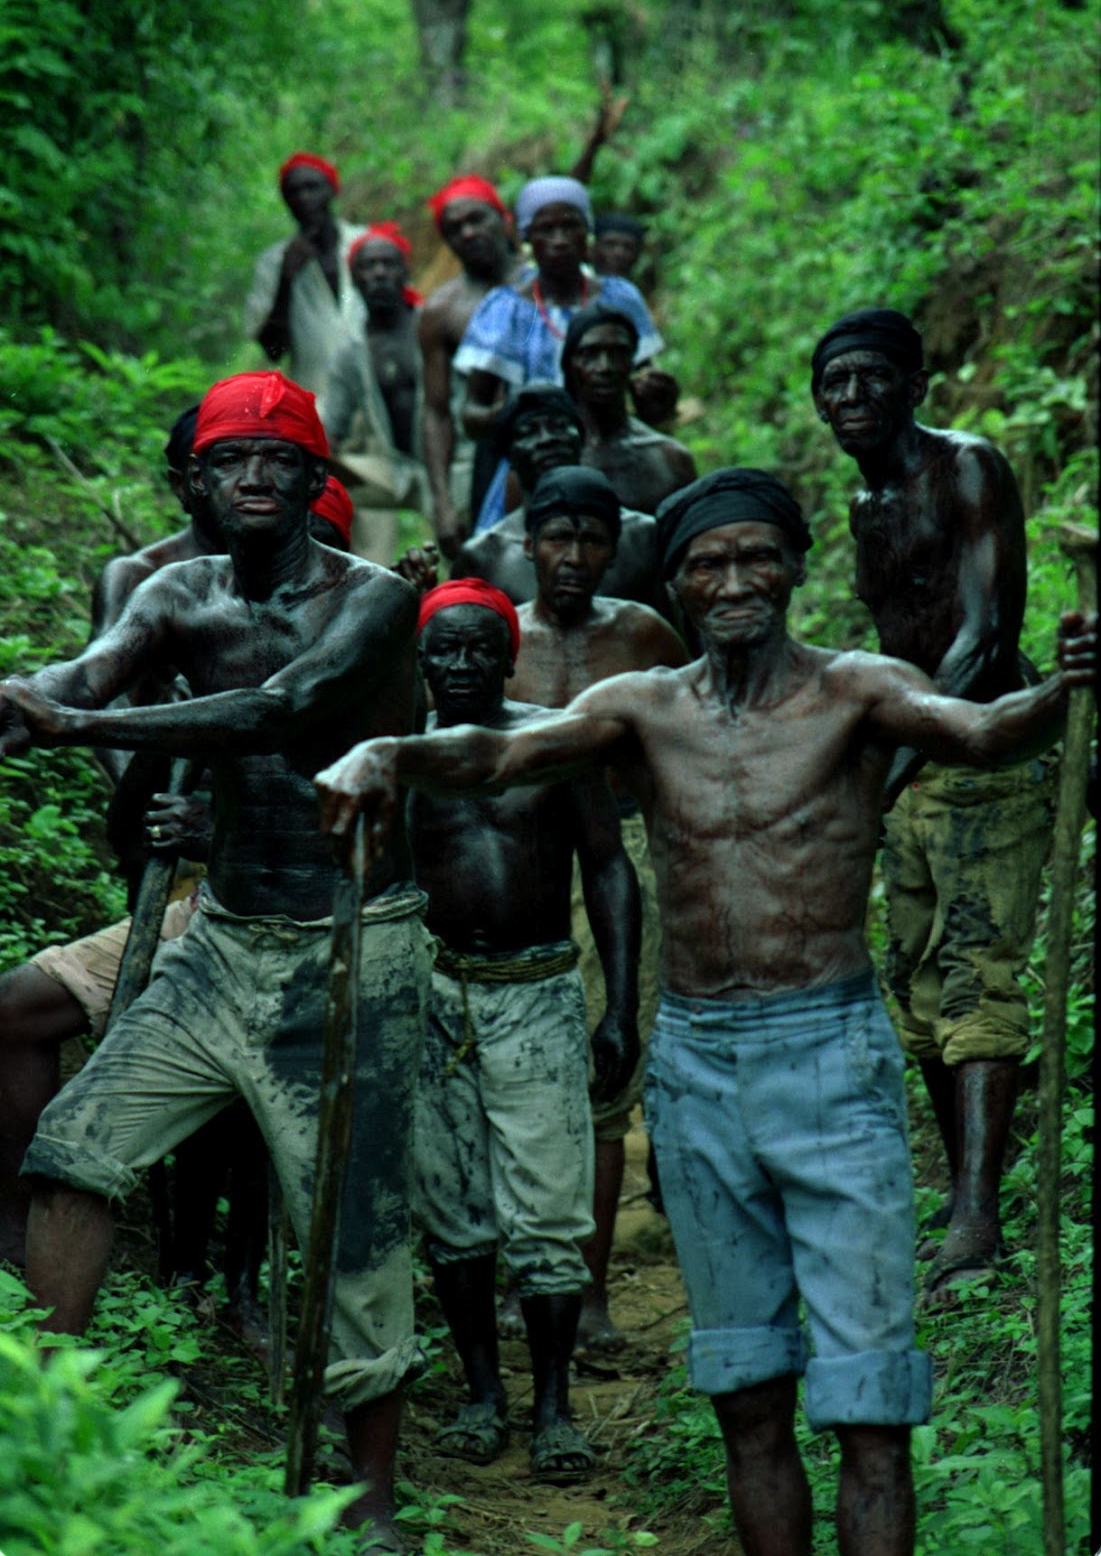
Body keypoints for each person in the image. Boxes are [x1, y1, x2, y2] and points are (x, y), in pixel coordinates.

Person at [315, 468, 1094, 1556]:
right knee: (748, 1396)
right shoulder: (644, 709)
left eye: (755, 557)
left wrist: (1060, 692)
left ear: (794, 568)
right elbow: (498, 748)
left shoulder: (856, 690)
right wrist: (387, 749)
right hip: (699, 1071)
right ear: (676, 584)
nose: (733, 580)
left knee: (870, 1405)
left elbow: (979, 729)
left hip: (828, 1052)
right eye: (707, 563)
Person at [1, 371, 433, 1554]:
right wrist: (30, 700)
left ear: (313, 483)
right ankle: (54, 1432)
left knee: (351, 1228)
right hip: (223, 938)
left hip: (351, 947)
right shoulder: (176, 591)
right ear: (196, 480)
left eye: (279, 463)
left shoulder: (374, 600)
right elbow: (87, 674)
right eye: (232, 462)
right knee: (75, 1149)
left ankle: (376, 1505)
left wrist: (78, 725)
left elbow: (277, 710)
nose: (254, 479)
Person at [810, 307, 1057, 1298]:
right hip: (914, 760)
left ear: (917, 385)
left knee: (976, 980)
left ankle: (977, 1216)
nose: (851, 399)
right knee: (919, 999)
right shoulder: (867, 500)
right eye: (834, 385)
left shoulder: (966, 468)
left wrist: (905, 751)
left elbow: (987, 633)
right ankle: (967, 1182)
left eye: (872, 379)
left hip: (983, 754)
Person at [408, 578, 640, 1481]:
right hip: (433, 991)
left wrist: (616, 1005)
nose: (462, 665)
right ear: (420, 660)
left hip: (539, 990)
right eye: (444, 650)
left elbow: (611, 871)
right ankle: (479, 1395)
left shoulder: (555, 743)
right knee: (455, 1212)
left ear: (510, 656)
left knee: (546, 1208)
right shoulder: (398, 750)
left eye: (479, 649)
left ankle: (554, 1410)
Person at [508, 467, 687, 1352]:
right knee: (512, 1073)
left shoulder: (645, 632)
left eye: (589, 539)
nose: (571, 556)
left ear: (613, 547)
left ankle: (588, 1293)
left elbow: (691, 733)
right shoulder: (501, 633)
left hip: (620, 858)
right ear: (527, 543)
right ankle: (525, 1275)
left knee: (604, 1074)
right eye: (555, 538)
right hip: (513, 863)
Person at [454, 176, 678, 528]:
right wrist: (522, 416)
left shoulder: (618, 297)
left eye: (570, 226)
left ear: (587, 232)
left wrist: (654, 394)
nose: (559, 240)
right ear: (526, 238)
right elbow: (473, 412)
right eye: (545, 229)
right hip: (534, 461)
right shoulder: (507, 309)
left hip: (616, 455)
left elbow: (645, 384)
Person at [451, 384, 669, 617]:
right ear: (509, 455)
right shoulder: (485, 555)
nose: (547, 440)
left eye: (559, 426)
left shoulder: (642, 535)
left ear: (581, 439)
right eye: (528, 432)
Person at [420, 176, 518, 553]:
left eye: (477, 219)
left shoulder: (544, 281)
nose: (469, 232)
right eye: (455, 228)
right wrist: (442, 504)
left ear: (504, 220)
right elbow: (436, 412)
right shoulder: (441, 310)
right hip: (476, 457)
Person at [321, 223, 428, 565]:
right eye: (368, 266)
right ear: (354, 278)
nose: (379, 273)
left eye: (388, 263)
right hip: (390, 468)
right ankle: (341, 574)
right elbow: (331, 426)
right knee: (309, 487)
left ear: (405, 272)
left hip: (447, 464)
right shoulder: (350, 353)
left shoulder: (431, 327)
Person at [244, 152, 365, 405]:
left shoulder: (366, 244)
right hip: (316, 402)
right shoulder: (273, 263)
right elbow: (273, 351)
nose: (304, 198)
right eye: (294, 192)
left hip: (376, 396)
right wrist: (287, 278)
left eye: (312, 187)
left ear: (332, 190)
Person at [561, 305, 696, 513]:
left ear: (632, 363)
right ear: (570, 363)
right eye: (590, 354)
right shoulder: (549, 453)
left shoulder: (671, 458)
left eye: (618, 353)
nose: (605, 366)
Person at [591, 213, 647, 282]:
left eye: (628, 247)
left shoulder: (630, 291)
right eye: (610, 244)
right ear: (593, 247)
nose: (619, 253)